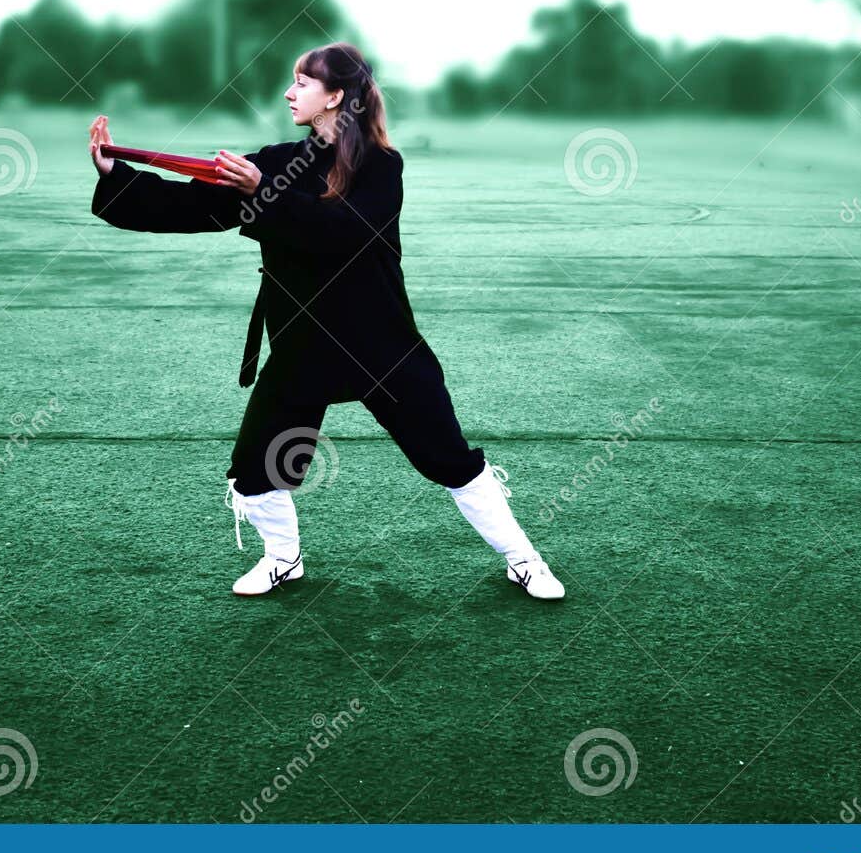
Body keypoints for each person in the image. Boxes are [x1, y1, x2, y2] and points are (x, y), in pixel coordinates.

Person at [88, 42, 563, 600]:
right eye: (292, 82)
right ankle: (283, 560)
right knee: (256, 468)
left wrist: (259, 194)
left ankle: (522, 558)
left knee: (449, 458)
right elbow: (195, 208)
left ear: (336, 96)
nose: (289, 92)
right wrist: (117, 175)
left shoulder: (382, 167)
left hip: (380, 345)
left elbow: (343, 233)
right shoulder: (273, 160)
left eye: (303, 83)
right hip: (301, 346)